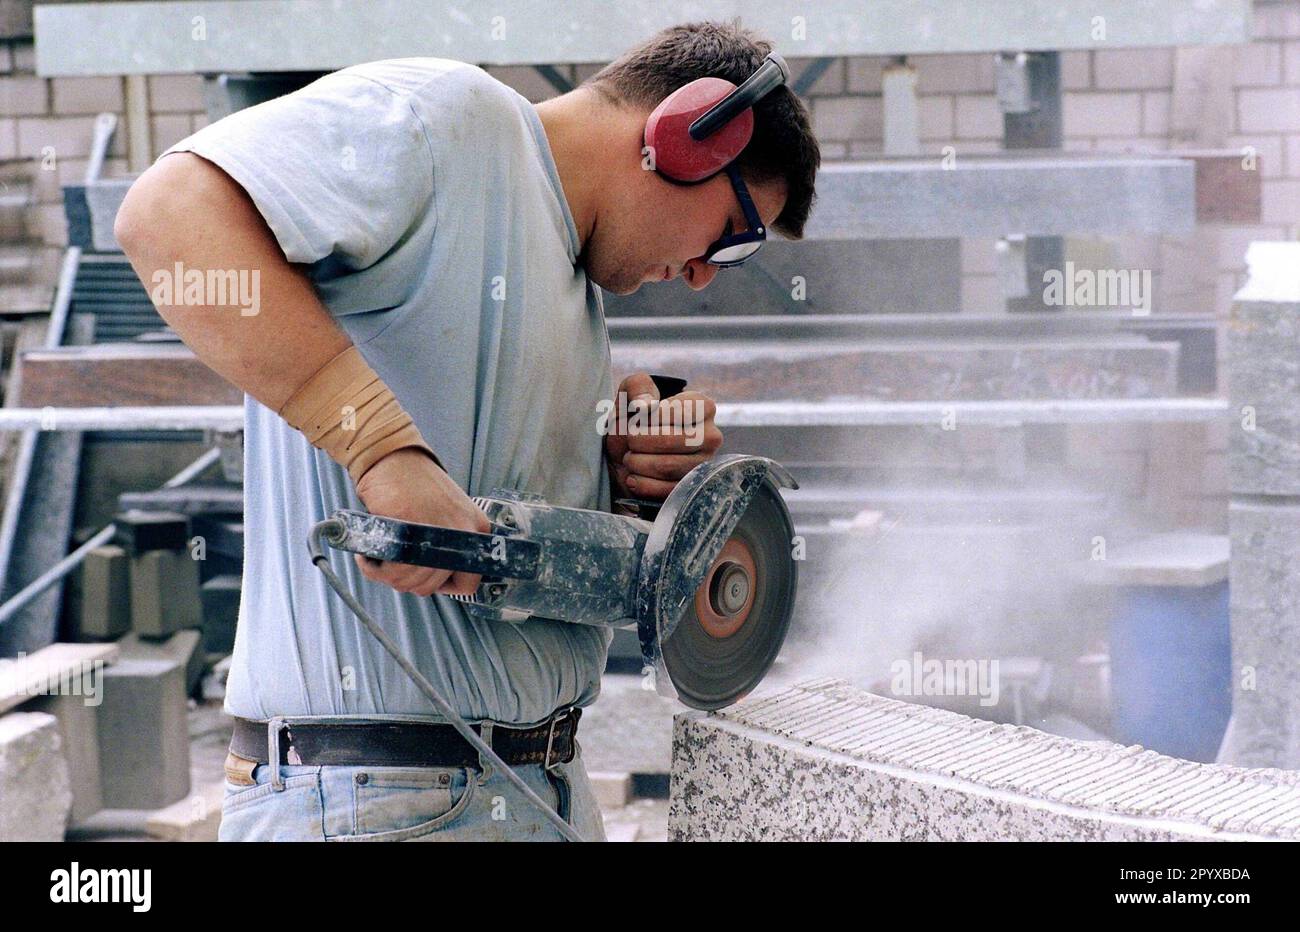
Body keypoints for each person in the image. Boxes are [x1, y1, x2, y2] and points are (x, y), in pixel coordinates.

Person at [115, 20, 820, 841]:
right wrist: (380, 448)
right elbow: (168, 215)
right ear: (688, 134)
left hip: (534, 782)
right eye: (733, 237)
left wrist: (629, 462)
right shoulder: (450, 119)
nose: (704, 274)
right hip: (379, 794)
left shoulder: (575, 288)